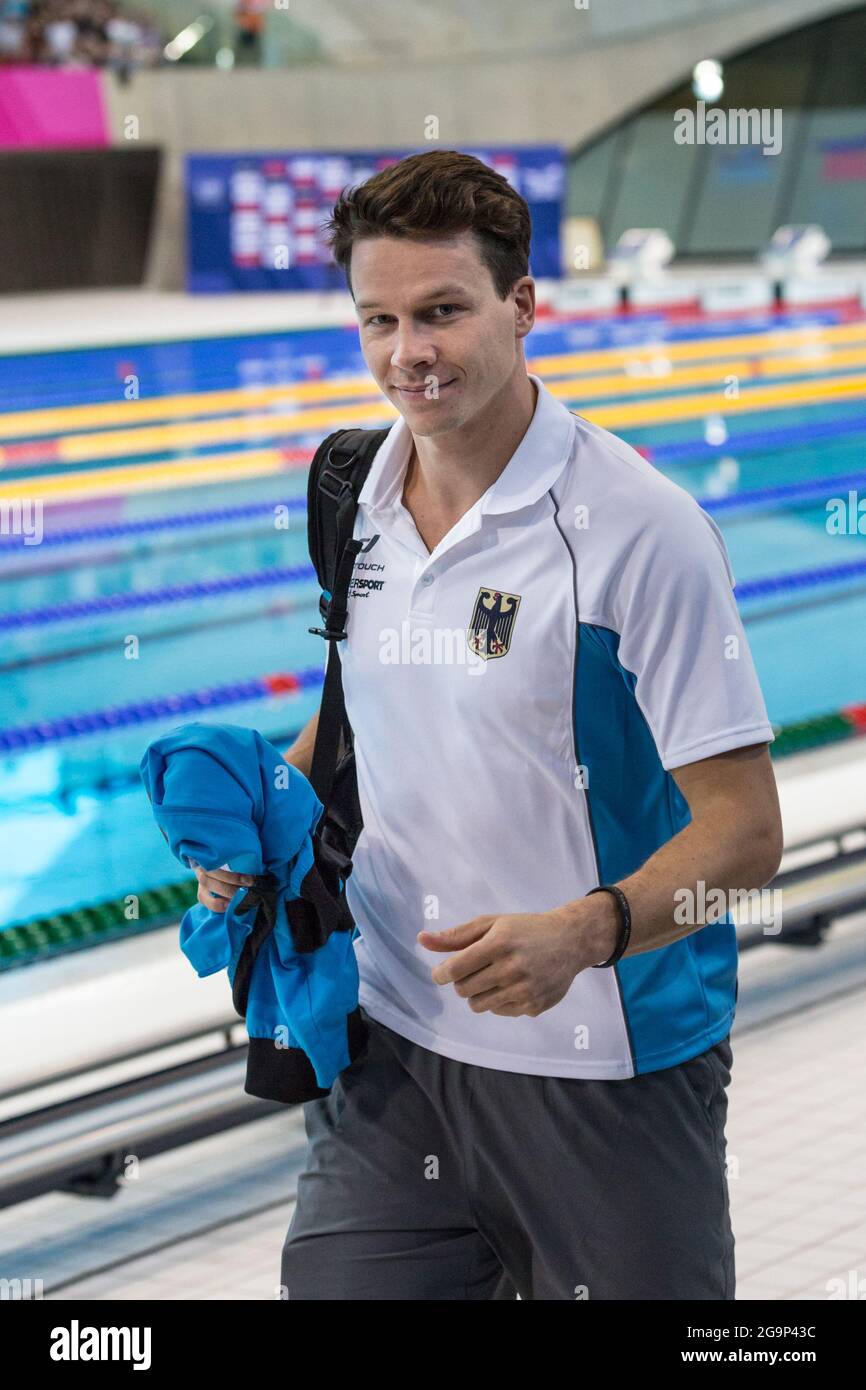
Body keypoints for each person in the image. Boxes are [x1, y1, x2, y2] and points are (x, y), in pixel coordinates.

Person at [193, 149, 784, 1300]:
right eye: (379, 318)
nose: (407, 353)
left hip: (600, 1061)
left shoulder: (634, 531)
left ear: (522, 307)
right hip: (391, 1047)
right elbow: (354, 720)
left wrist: (585, 930)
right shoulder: (351, 493)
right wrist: (256, 822)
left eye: (441, 313)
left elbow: (746, 833)